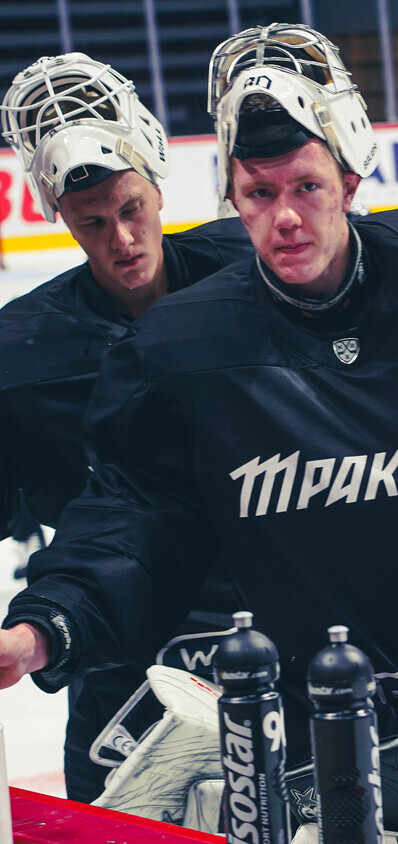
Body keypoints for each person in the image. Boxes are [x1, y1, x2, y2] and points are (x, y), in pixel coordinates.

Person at [0, 24, 398, 842]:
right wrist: (49, 624)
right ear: (231, 197)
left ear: (352, 176)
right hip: (314, 729)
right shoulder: (180, 351)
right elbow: (139, 515)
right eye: (259, 194)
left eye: (307, 187)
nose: (284, 217)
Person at [0, 52, 254, 802]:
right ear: (62, 221)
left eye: (132, 209)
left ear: (158, 187)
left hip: (270, 617)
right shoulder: (22, 351)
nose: (122, 239)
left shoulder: (252, 274)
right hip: (114, 635)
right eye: (93, 223)